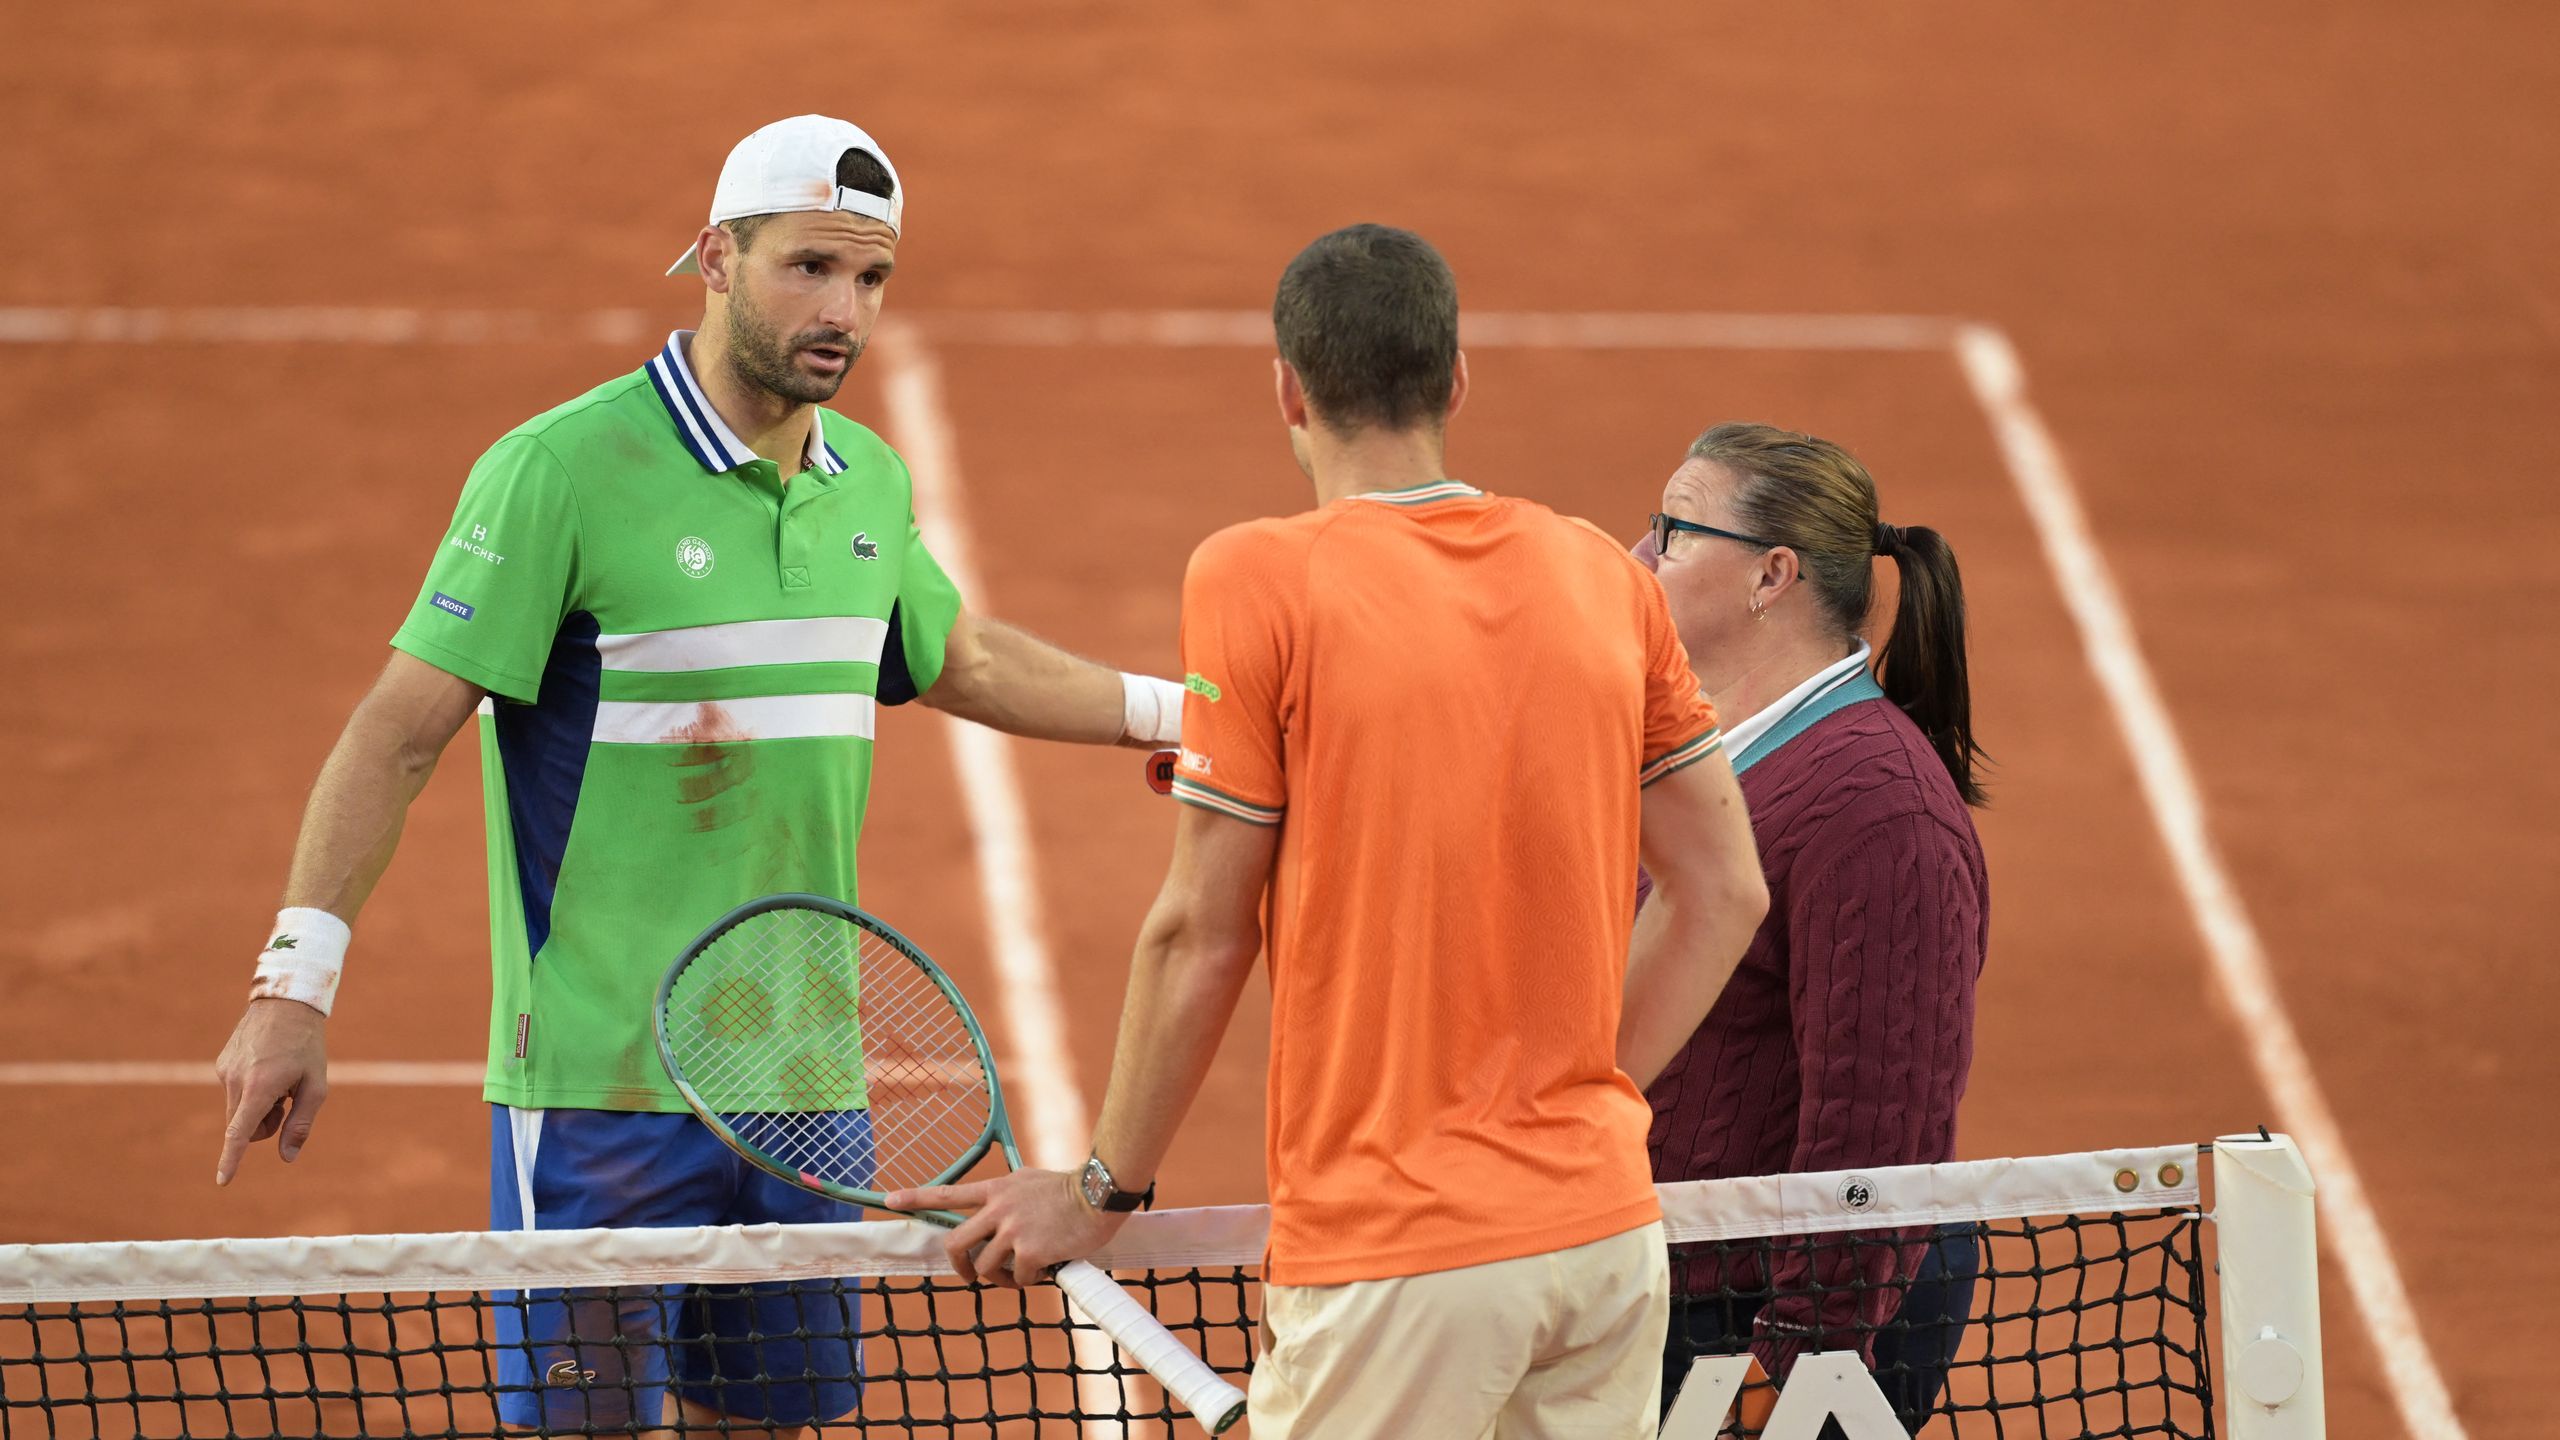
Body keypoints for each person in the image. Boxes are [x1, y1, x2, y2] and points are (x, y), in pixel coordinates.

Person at [208, 115, 1188, 1437]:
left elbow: (958, 658)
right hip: (606, 1087)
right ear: (718, 257)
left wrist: (1179, 714)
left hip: (806, 1090)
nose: (844, 310)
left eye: (871, 279)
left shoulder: (868, 484)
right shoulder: (561, 470)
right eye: (809, 268)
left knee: (770, 1425)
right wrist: (293, 987)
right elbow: (396, 734)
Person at [888, 225, 1771, 1438]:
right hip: (1603, 1241)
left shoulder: (1256, 578)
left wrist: (1102, 1192)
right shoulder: (1601, 576)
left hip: (1397, 1260)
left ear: (1288, 390)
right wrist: (1573, 1096)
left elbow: (1202, 930)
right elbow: (1723, 889)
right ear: (1455, 379)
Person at [1634, 423, 1989, 1431]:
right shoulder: (1710, 750)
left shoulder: (1877, 811)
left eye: (1670, 530)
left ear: (1770, 576)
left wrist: (1798, 1364)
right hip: (1673, 1293)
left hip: (1759, 1336)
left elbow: (1881, 1126)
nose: (1639, 558)